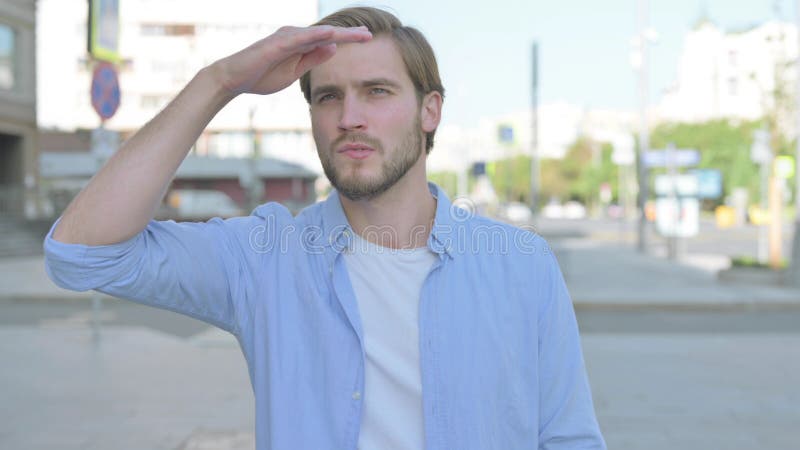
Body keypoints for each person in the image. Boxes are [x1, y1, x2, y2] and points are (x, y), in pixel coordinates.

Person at [44, 7, 606, 450]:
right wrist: (218, 82)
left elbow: (568, 439)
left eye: (377, 92)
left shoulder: (520, 264)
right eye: (328, 96)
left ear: (430, 111)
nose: (349, 117)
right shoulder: (265, 258)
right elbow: (80, 253)